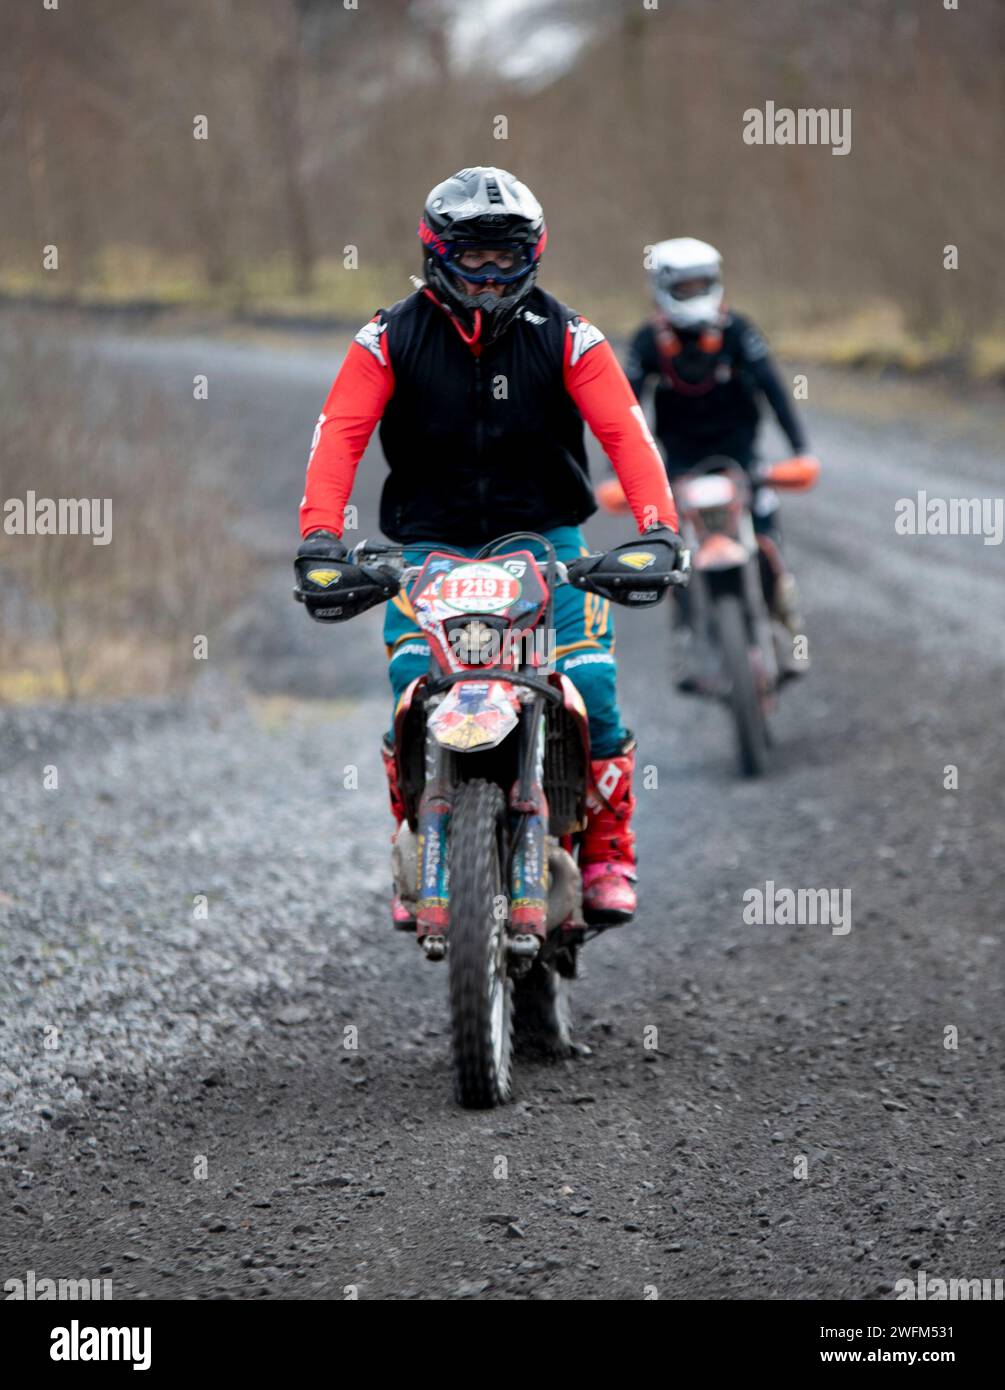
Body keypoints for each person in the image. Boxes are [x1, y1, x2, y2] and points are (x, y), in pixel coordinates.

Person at [297, 166, 682, 929]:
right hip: (426, 550)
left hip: (548, 543)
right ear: (437, 253)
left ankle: (608, 851)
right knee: (414, 692)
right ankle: (419, 841)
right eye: (473, 257)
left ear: (532, 254)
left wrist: (658, 527)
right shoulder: (387, 337)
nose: (489, 274)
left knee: (591, 692)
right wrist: (318, 537)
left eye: (505, 257)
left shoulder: (570, 335)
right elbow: (338, 435)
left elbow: (624, 434)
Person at [625, 237, 815, 633]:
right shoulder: (646, 343)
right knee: (671, 550)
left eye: (701, 284)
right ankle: (685, 625)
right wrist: (619, 475)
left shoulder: (739, 331)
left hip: (742, 458)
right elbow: (625, 411)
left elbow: (774, 389)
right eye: (684, 287)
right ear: (662, 288)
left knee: (766, 532)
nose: (694, 294)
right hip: (679, 462)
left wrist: (801, 450)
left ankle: (782, 602)